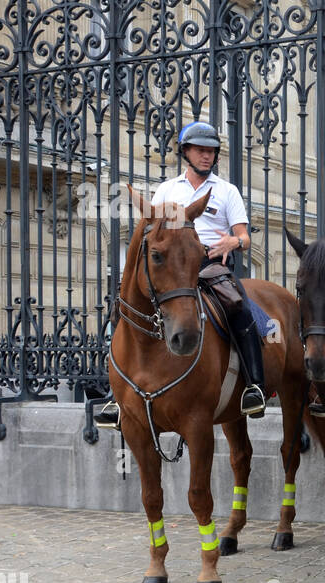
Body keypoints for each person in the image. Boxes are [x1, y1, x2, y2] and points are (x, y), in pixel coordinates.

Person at [97, 121, 264, 429]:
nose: (207, 157)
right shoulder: (168, 189)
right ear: (186, 152)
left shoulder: (227, 192)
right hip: (173, 267)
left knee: (240, 306)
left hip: (211, 265)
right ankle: (114, 393)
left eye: (211, 152)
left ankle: (254, 385)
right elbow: (155, 230)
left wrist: (232, 241)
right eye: (201, 151)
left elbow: (245, 237)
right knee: (123, 309)